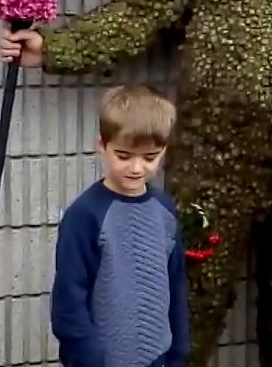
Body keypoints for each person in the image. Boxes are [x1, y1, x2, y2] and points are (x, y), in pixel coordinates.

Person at [50, 85, 190, 367]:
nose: (137, 168)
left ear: (163, 150)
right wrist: (88, 359)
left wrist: (178, 353)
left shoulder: (165, 211)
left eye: (150, 158)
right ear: (102, 145)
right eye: (124, 156)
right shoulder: (85, 215)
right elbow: (69, 301)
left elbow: (175, 288)